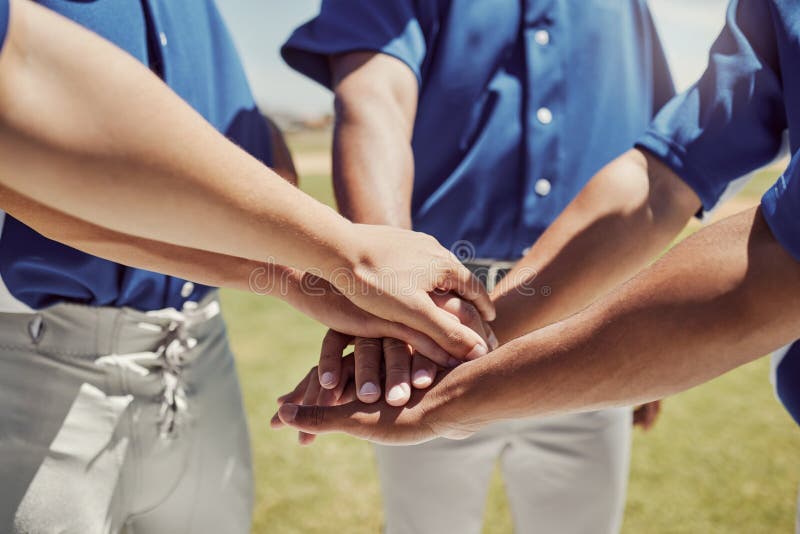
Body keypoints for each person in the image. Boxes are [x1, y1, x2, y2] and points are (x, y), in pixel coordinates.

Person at [277, 0, 800, 529]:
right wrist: (402, 309)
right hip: (434, 318)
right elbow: (375, 100)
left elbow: (676, 185)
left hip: (563, 319)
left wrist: (638, 349)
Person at [0, 1, 493, 532]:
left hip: (199, 356)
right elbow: (19, 128)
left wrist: (300, 275)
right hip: (36, 364)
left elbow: (259, 152)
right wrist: (349, 255)